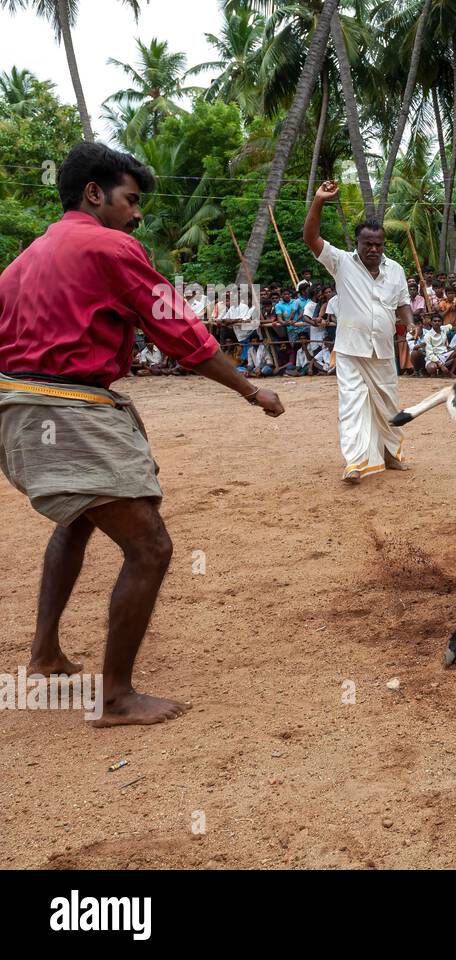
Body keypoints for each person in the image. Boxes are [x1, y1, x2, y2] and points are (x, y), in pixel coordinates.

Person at [0, 142, 284, 726]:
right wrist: (251, 390)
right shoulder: (109, 245)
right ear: (94, 193)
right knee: (149, 546)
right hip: (71, 406)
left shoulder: (23, 259)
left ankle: (46, 655)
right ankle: (116, 697)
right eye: (131, 200)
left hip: (17, 409)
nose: (137, 214)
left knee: (77, 516)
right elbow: (180, 330)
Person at [304, 180, 413, 483]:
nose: (374, 249)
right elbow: (310, 237)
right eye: (368, 244)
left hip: (383, 349)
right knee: (352, 405)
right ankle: (355, 462)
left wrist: (411, 323)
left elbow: (403, 304)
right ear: (358, 243)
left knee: (387, 405)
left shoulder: (396, 270)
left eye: (379, 245)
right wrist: (318, 201)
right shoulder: (341, 262)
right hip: (350, 350)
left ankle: (392, 453)